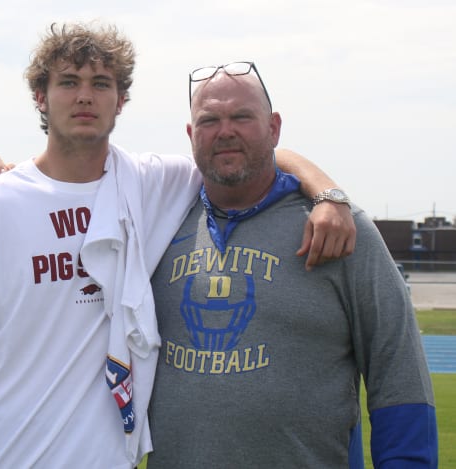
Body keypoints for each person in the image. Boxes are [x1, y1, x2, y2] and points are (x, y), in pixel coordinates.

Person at [0, 23, 354, 468]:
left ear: (121, 100)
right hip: (0, 455)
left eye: (101, 84)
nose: (84, 96)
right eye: (68, 82)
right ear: (41, 96)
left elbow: (250, 150)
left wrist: (327, 192)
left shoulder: (153, 183)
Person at [144, 65, 438, 467]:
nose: (225, 131)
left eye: (242, 117)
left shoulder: (340, 228)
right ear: (192, 136)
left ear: (274, 128)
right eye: (209, 120)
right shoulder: (159, 222)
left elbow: (399, 375)